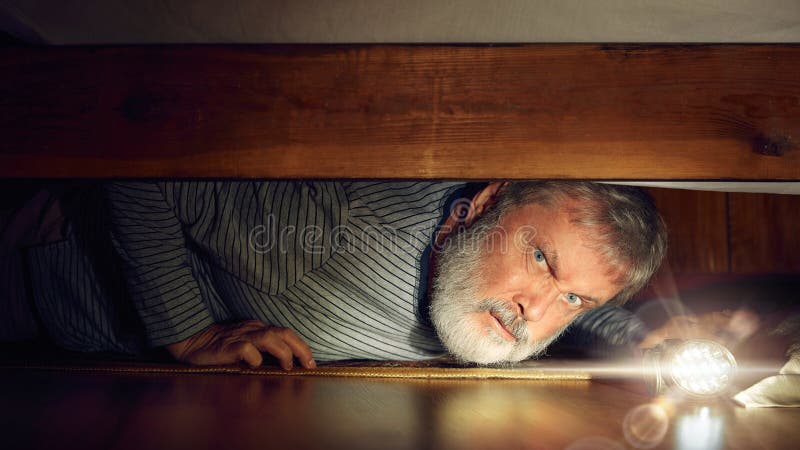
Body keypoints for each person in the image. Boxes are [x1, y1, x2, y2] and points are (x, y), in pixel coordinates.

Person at [2, 180, 668, 369]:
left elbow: (583, 304)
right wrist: (190, 332)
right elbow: (144, 179)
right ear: (484, 204)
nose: (534, 311)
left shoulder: (493, 287)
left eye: (570, 297)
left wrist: (641, 337)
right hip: (36, 283)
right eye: (540, 258)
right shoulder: (336, 229)